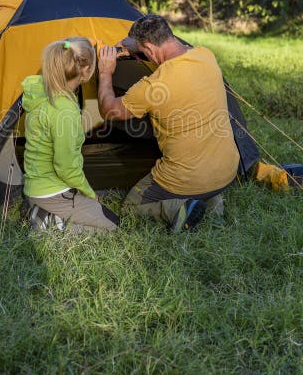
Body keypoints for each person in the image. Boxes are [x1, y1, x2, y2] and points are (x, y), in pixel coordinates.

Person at [97, 14, 240, 232]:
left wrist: (106, 72)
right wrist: (137, 46)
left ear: (150, 49)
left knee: (131, 206)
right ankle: (212, 201)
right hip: (228, 170)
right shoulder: (205, 55)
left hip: (186, 178)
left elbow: (108, 110)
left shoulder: (154, 87)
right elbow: (167, 50)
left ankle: (179, 207)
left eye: (145, 52)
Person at [21, 37, 120, 234]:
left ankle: (41, 211)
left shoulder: (41, 92)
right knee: (111, 225)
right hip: (52, 192)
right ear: (85, 71)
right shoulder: (64, 110)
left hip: (35, 187)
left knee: (103, 214)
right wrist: (89, 193)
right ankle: (48, 221)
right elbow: (65, 167)